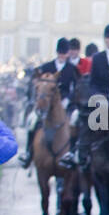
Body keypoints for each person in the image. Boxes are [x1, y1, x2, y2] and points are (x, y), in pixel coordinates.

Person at [61, 24, 109, 170]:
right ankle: (74, 152)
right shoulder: (98, 58)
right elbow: (93, 83)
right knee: (78, 118)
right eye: (107, 38)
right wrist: (99, 97)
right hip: (102, 99)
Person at [18, 38, 78, 167]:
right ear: (57, 52)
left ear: (68, 53)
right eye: (60, 53)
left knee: (75, 121)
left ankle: (73, 153)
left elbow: (76, 87)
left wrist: (68, 100)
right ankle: (28, 153)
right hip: (47, 105)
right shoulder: (46, 67)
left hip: (66, 104)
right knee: (32, 120)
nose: (62, 55)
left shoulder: (72, 69)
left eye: (64, 53)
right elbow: (36, 85)